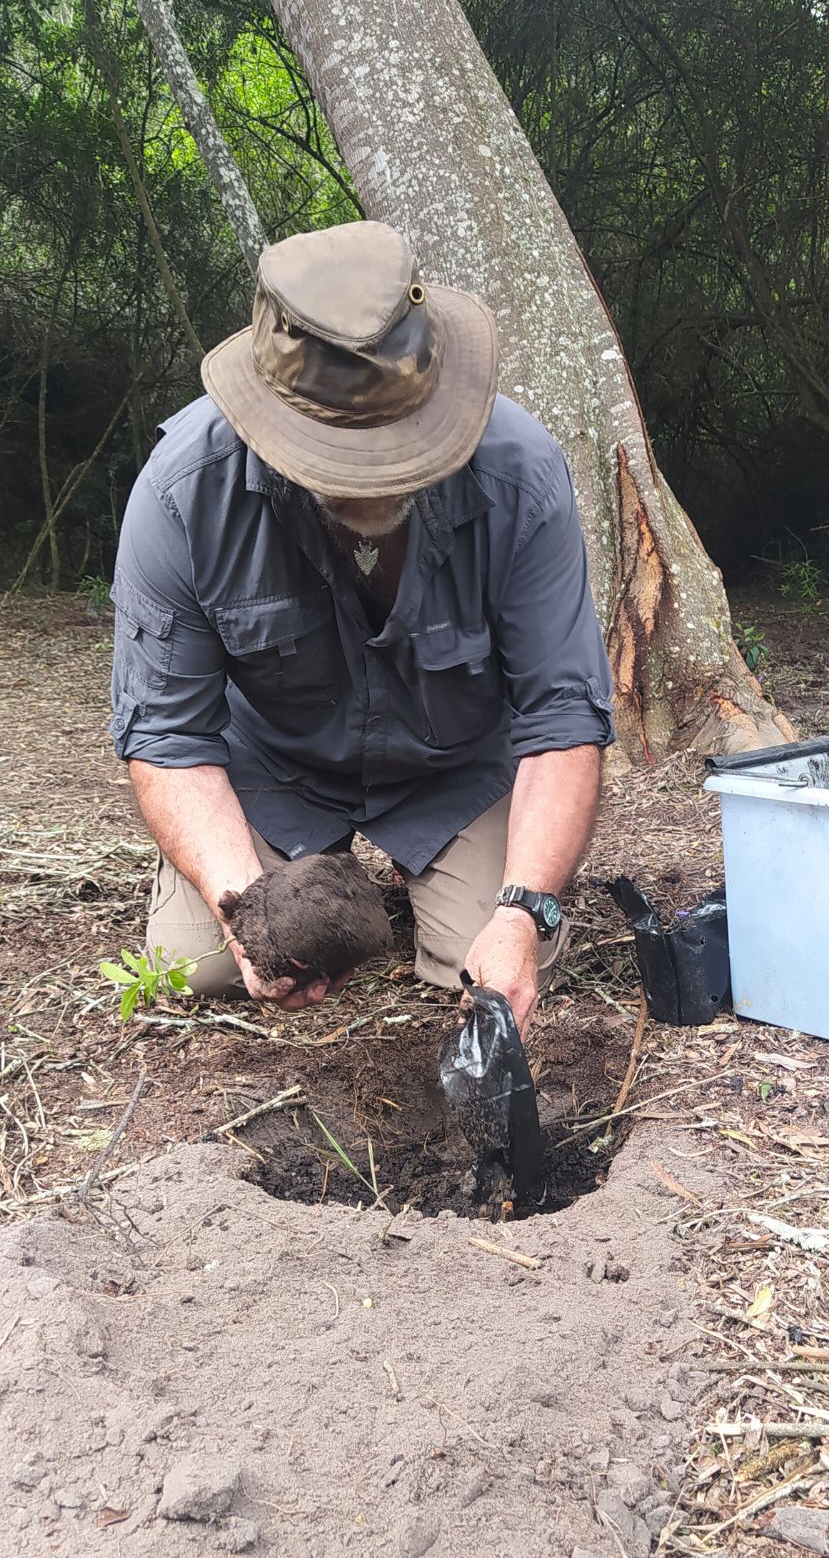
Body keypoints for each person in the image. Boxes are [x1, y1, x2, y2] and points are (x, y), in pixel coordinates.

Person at [110, 220, 614, 1032]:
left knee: (487, 964)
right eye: (341, 456)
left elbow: (562, 716)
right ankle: (292, 876)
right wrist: (248, 912)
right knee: (206, 963)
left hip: (458, 772)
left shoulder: (521, 474)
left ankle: (460, 886)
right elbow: (168, 737)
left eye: (400, 445)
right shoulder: (183, 492)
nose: (375, 476)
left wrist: (523, 912)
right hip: (277, 770)